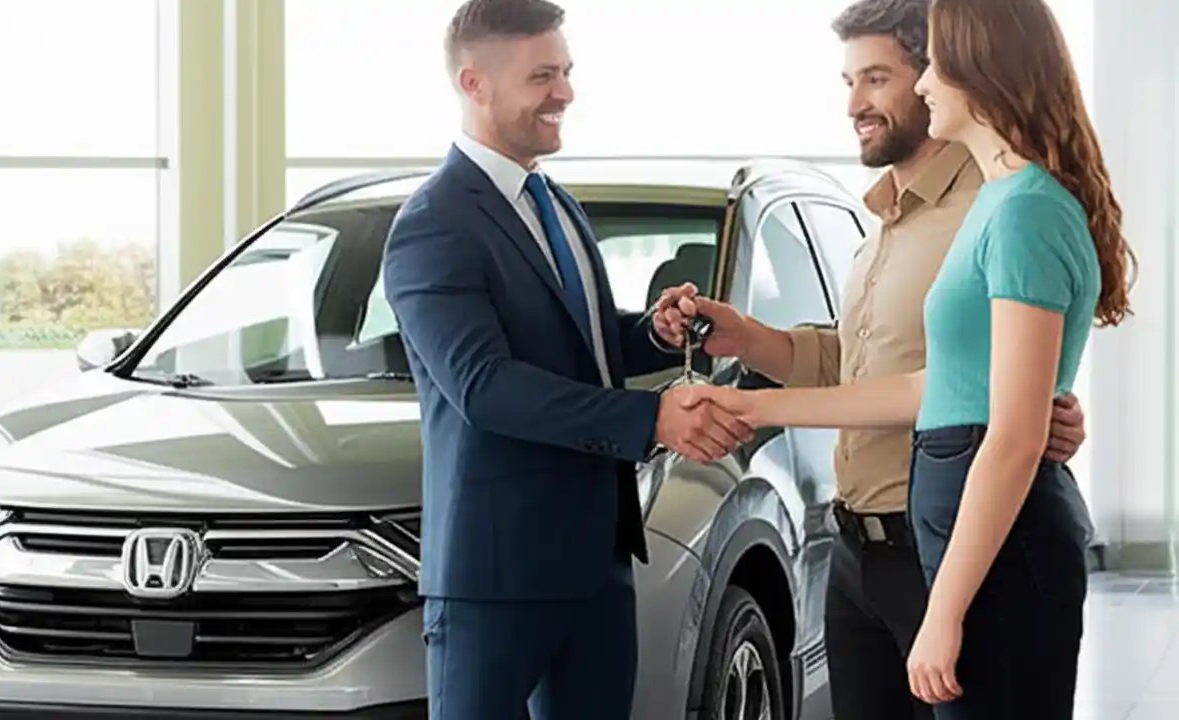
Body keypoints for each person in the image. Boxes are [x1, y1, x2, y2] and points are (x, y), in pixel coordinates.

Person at [668, 0, 1135, 717]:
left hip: (965, 548)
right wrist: (752, 393)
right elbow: (922, 380)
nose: (902, 93)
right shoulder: (941, 212)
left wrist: (943, 611)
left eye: (886, 76)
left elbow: (1008, 431)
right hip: (890, 539)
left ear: (974, 68)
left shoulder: (1017, 208)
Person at [380, 1, 751, 718]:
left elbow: (579, 340)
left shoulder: (554, 201)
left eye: (567, 71)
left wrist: (654, 333)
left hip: (597, 561)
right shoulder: (434, 224)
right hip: (496, 574)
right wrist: (653, 417)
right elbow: (484, 386)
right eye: (543, 75)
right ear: (474, 83)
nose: (566, 93)